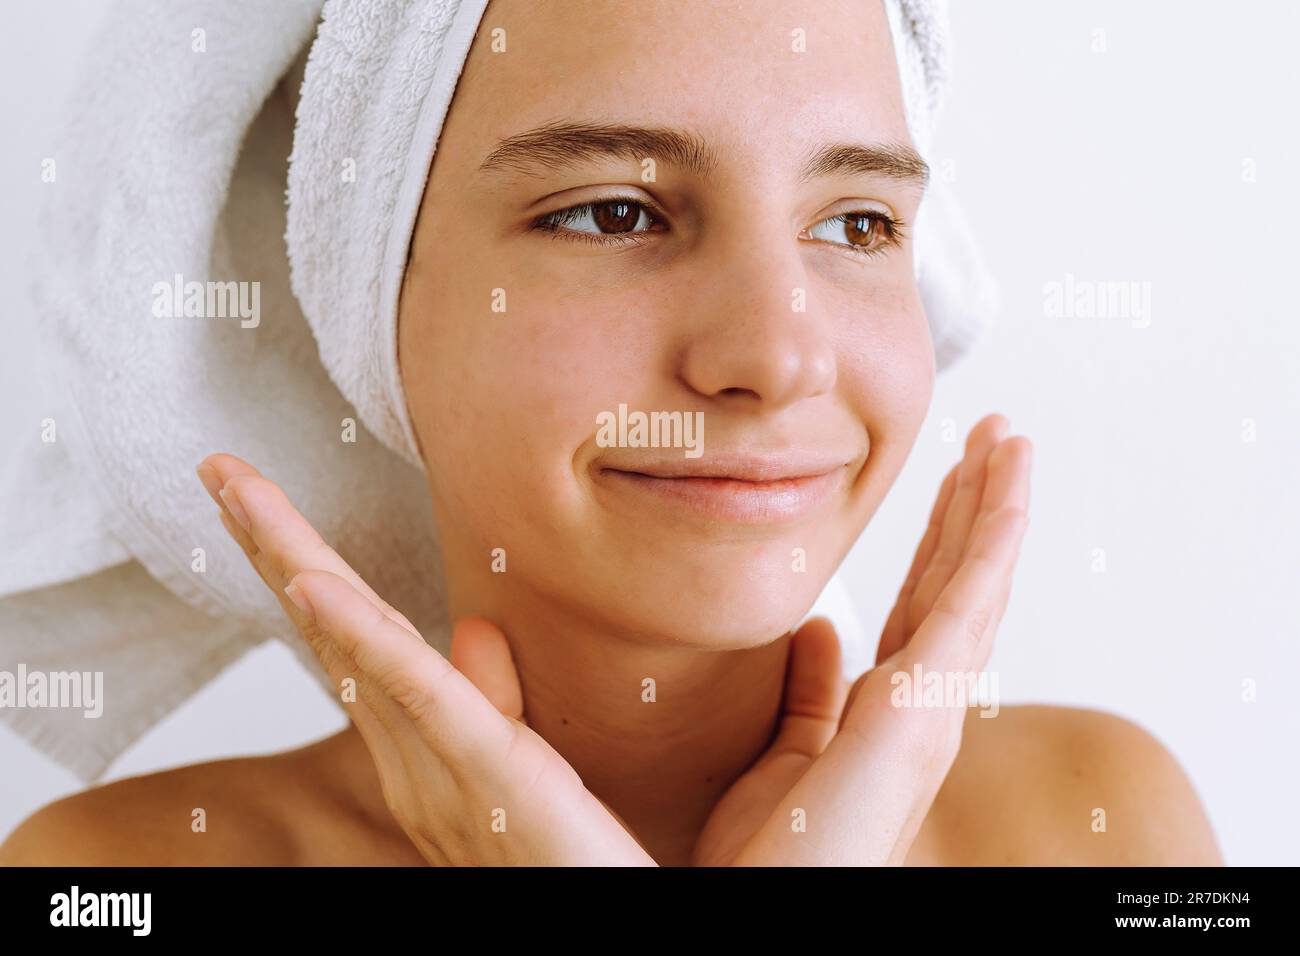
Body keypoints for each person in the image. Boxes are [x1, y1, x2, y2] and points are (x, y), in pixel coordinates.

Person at [0, 0, 1220, 866]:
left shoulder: (1104, 818)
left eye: (854, 225)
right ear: (367, 305)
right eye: (614, 211)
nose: (777, 353)